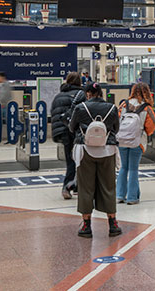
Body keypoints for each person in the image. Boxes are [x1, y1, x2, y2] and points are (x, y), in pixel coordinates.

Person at [67, 82, 121, 238]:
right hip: (107, 150)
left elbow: (72, 128)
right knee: (109, 186)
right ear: (101, 93)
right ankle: (113, 224)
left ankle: (86, 226)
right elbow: (115, 129)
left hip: (85, 150)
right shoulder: (112, 108)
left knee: (86, 187)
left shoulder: (80, 107)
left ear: (88, 93)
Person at [116, 82, 155, 206]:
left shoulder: (123, 105)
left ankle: (119, 195)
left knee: (123, 167)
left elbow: (116, 121)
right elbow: (151, 128)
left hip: (122, 140)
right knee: (133, 169)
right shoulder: (147, 108)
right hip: (137, 142)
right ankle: (132, 197)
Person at [51, 72, 87, 200]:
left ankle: (70, 186)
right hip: (77, 131)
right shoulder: (81, 95)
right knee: (81, 159)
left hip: (64, 132)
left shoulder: (58, 96)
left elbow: (54, 115)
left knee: (70, 160)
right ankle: (72, 186)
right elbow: (84, 113)